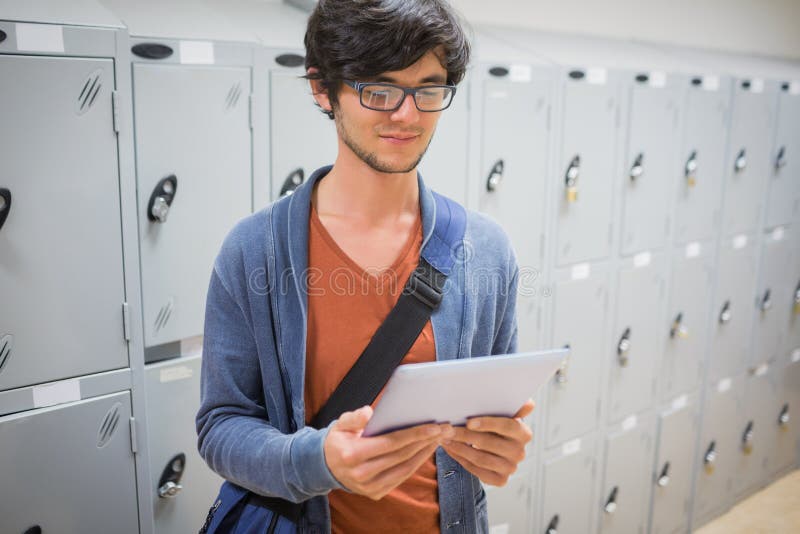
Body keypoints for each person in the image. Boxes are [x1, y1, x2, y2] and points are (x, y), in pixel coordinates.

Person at [196, 1, 533, 532]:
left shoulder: (487, 250)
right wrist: (320, 462)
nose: (407, 115)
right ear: (321, 88)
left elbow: (494, 411)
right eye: (378, 89)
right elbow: (222, 427)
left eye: (428, 88)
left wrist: (500, 445)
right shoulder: (254, 251)